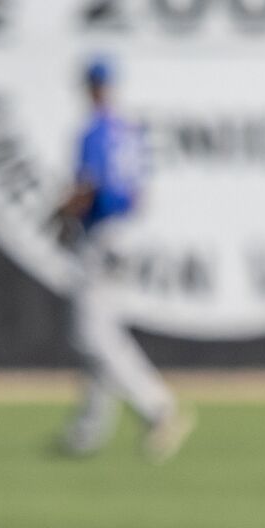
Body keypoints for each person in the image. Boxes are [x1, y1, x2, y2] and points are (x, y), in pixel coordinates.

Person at [53, 58, 193, 461]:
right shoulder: (129, 131)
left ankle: (159, 408)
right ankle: (88, 431)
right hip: (125, 232)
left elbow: (89, 186)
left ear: (90, 87)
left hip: (102, 236)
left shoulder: (95, 132)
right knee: (101, 328)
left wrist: (61, 213)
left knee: (93, 334)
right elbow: (136, 189)